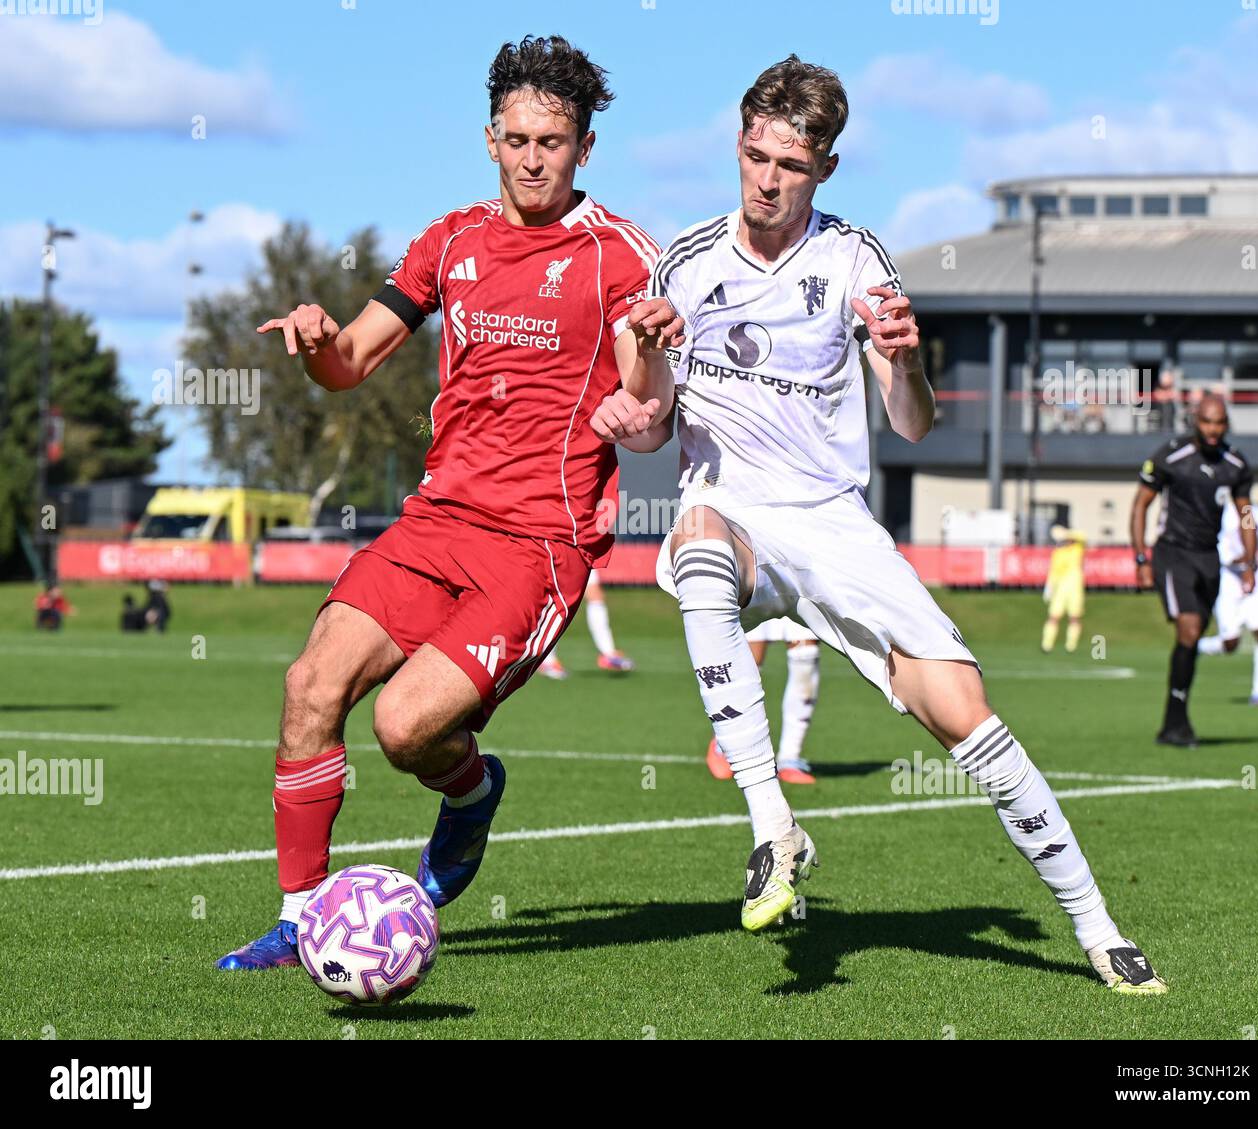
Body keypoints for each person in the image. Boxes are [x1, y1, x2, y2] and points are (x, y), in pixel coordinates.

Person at [597, 55, 1165, 993]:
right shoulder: (686, 263)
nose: (767, 179)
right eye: (754, 155)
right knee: (696, 549)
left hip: (834, 525)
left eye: (790, 163)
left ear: (823, 169)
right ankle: (774, 828)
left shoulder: (856, 258)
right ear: (737, 146)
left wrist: (906, 364)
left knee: (970, 721)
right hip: (731, 507)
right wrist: (642, 377)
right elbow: (654, 419)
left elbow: (910, 422)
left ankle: (1101, 930)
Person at [217, 35, 678, 971]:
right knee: (310, 686)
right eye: (516, 139)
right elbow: (347, 365)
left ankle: (468, 794)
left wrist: (653, 360)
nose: (533, 157)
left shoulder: (624, 257)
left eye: (553, 140)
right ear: (489, 139)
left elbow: (651, 412)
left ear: (585, 147)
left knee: (404, 728)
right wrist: (313, 341)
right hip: (434, 521)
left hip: (538, 543)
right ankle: (302, 919)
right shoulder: (450, 241)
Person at [1131, 393, 1255, 747]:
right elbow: (1141, 504)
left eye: (1219, 423)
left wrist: (1250, 559)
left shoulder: (1236, 464)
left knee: (1195, 634)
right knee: (1187, 627)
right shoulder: (1172, 455)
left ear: (1226, 424)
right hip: (1173, 553)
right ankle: (1176, 723)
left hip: (1209, 557)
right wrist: (1141, 557)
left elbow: (1245, 512)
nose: (1213, 430)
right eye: (1206, 422)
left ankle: (1174, 721)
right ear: (1195, 421)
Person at [706, 618, 819, 784]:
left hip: (795, 592)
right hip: (760, 591)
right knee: (749, 659)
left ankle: (790, 758)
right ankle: (725, 744)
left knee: (805, 658)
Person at [1198, 501, 1258, 707]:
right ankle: (1197, 646)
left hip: (1254, 581)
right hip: (1229, 582)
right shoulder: (1223, 514)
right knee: (1230, 643)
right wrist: (1243, 560)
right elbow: (1221, 552)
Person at [538, 571, 635, 677]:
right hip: (562, 556)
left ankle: (608, 653)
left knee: (595, 595)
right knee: (560, 597)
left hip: (583, 554)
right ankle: (547, 659)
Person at [1040, 526, 1086, 653]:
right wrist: (1049, 587)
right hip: (1060, 589)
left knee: (1074, 617)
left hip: (1075, 588)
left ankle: (1071, 646)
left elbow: (1082, 536)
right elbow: (1053, 572)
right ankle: (1047, 644)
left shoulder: (1077, 548)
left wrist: (1067, 533)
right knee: (1054, 616)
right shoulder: (1058, 552)